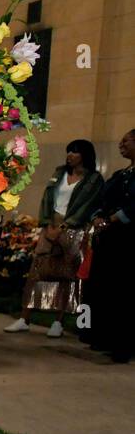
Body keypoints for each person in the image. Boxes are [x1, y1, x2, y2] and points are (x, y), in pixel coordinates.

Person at [3, 139, 105, 336]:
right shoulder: (59, 173)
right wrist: (47, 224)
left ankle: (58, 322)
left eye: (74, 152)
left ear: (85, 155)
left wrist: (64, 227)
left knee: (67, 275)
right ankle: (25, 317)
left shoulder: (94, 179)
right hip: (51, 226)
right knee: (37, 270)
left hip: (74, 229)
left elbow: (88, 206)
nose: (70, 155)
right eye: (69, 151)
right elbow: (47, 198)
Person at [83, 128, 135, 362]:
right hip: (110, 240)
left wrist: (114, 218)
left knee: (125, 291)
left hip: (129, 241)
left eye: (126, 140)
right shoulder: (119, 174)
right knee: (107, 288)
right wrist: (98, 216)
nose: (121, 143)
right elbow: (100, 201)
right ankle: (105, 338)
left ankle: (124, 345)